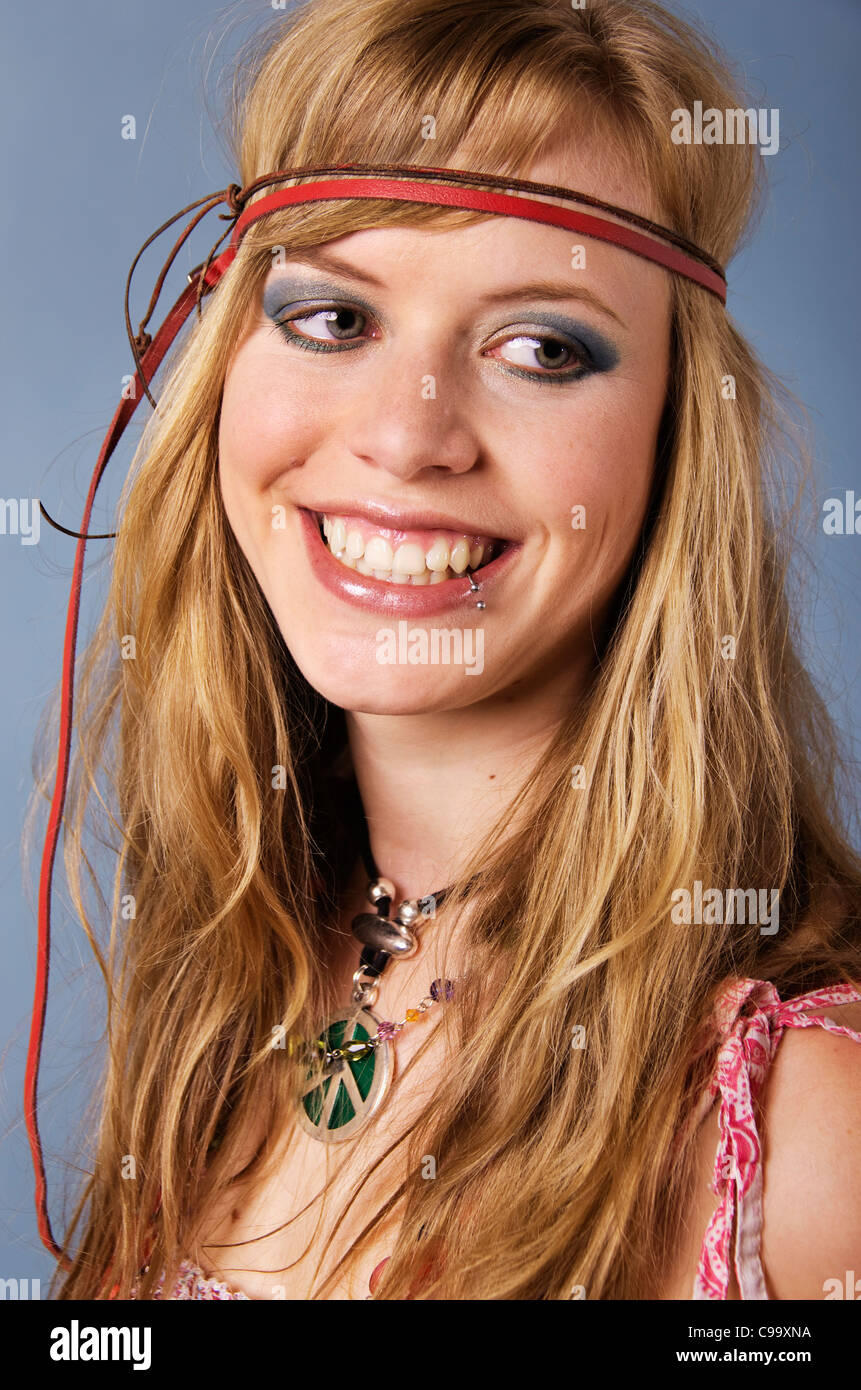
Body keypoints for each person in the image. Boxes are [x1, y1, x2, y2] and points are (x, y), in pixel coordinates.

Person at [36, 0, 861, 1301]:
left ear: (674, 439)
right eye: (333, 320)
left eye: (540, 346)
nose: (409, 436)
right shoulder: (240, 960)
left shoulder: (818, 1127)